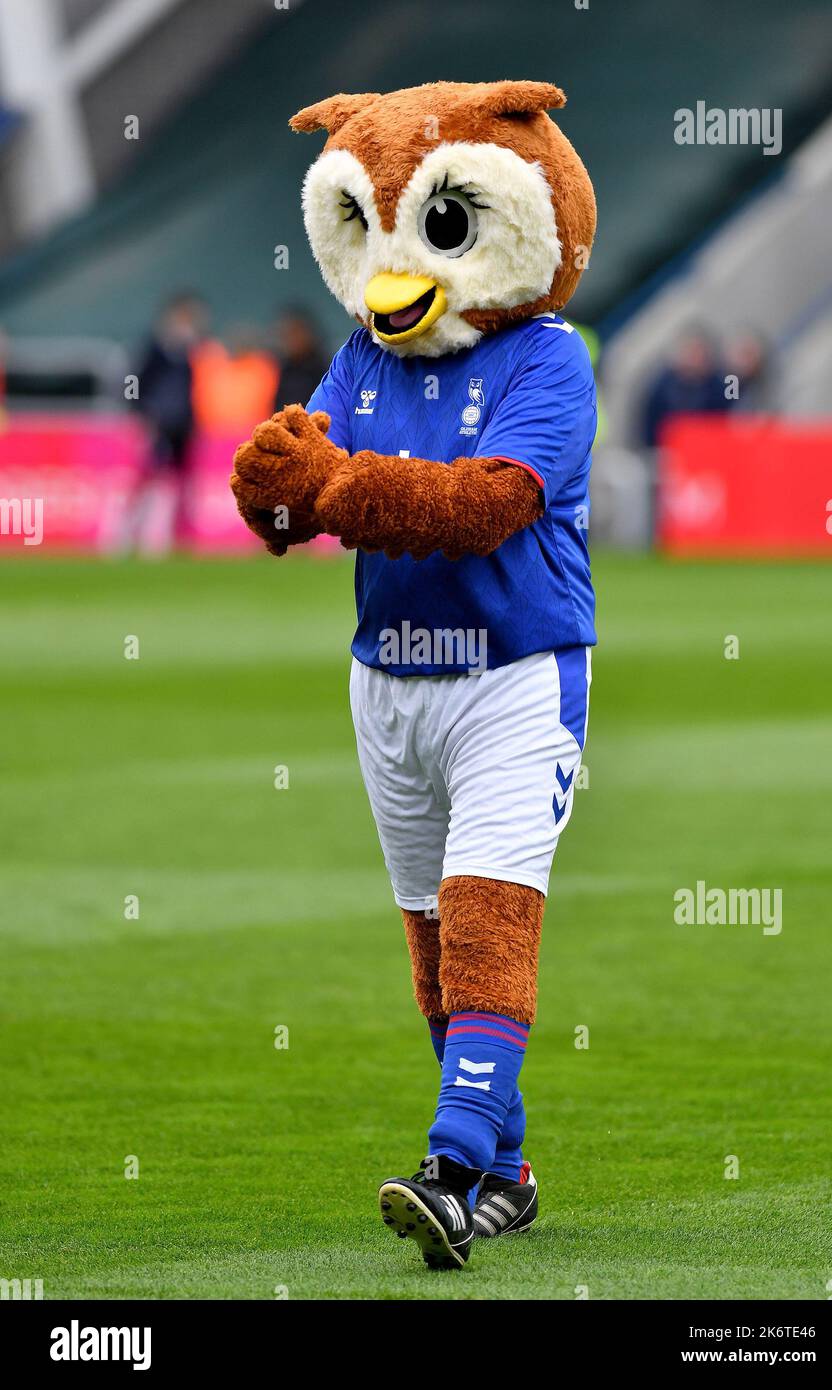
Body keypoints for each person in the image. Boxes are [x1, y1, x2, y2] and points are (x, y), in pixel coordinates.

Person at [231, 80, 598, 1270]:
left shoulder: (550, 358)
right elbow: (310, 472)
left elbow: (488, 504)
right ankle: (509, 1173)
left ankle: (447, 1166)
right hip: (387, 677)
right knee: (436, 945)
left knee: (492, 919)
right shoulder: (360, 354)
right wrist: (273, 490)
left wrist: (335, 489)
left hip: (515, 675)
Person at [125, 292, 208, 550]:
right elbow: (136, 385)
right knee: (151, 478)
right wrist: (146, 415)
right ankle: (127, 533)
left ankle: (167, 537)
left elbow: (191, 393)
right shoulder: (156, 349)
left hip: (181, 427)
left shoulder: (189, 355)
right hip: (160, 425)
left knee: (176, 482)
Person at [642, 329, 727, 448]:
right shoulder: (663, 385)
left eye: (698, 352)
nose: (694, 358)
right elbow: (650, 425)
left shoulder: (718, 387)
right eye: (690, 351)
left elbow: (723, 423)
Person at [271, 308, 328, 415]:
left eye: (295, 333)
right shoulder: (284, 370)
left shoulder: (323, 369)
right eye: (287, 335)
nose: (292, 340)